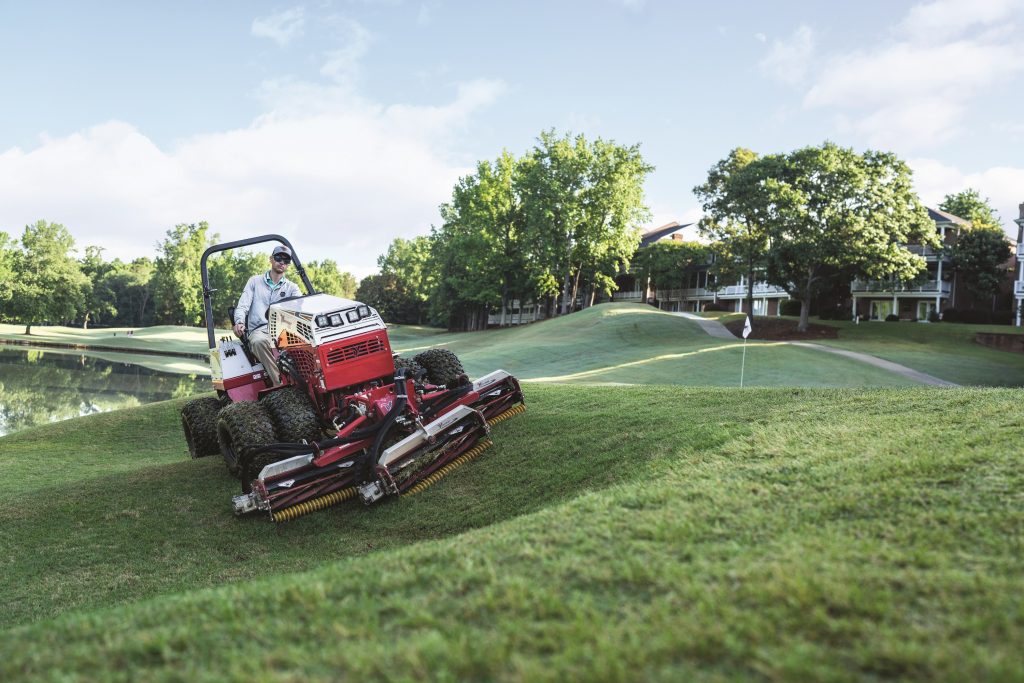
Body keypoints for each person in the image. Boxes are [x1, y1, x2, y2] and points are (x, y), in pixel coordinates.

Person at [233, 245, 302, 386]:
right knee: (258, 342)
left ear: (288, 264)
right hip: (260, 329)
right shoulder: (254, 281)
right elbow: (243, 305)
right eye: (278, 258)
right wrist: (239, 322)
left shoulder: (292, 288)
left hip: (283, 329)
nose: (282, 262)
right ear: (271, 259)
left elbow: (300, 308)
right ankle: (281, 384)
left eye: (286, 260)